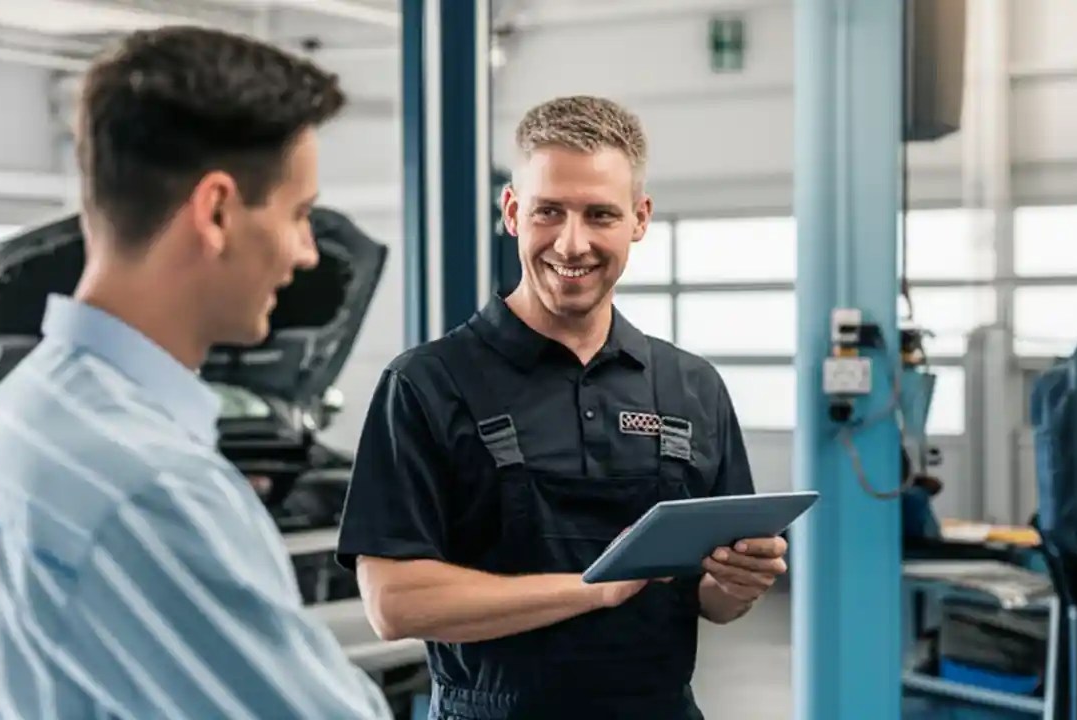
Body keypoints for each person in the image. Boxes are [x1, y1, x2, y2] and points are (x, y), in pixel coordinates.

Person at [0, 26, 391, 719]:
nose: (307, 253)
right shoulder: (153, 487)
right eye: (299, 214)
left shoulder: (16, 412)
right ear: (216, 211)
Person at [336, 95, 789, 719]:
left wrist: (736, 584)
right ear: (513, 212)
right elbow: (394, 604)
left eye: (600, 214)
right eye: (550, 211)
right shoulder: (426, 384)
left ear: (639, 218)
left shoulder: (692, 387)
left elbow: (711, 600)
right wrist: (590, 590)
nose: (572, 244)